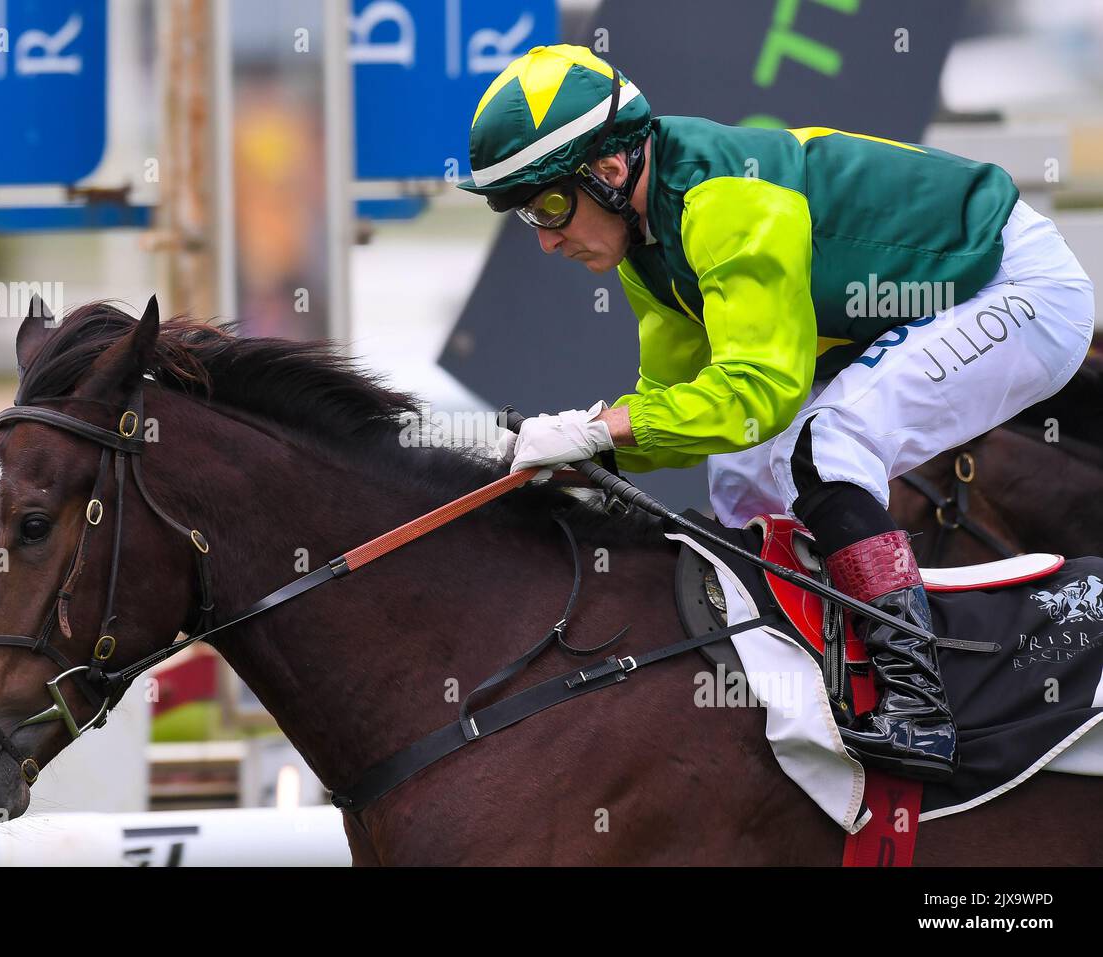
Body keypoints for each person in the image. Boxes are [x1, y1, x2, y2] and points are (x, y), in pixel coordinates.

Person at [461, 44, 1096, 781]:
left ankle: (920, 703)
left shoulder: (725, 201)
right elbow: (681, 405)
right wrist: (589, 450)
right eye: (525, 217)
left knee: (831, 445)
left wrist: (601, 430)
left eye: (547, 206)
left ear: (608, 170)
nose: (543, 240)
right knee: (741, 479)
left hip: (1018, 290)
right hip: (933, 299)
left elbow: (759, 393)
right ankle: (804, 670)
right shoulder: (648, 243)